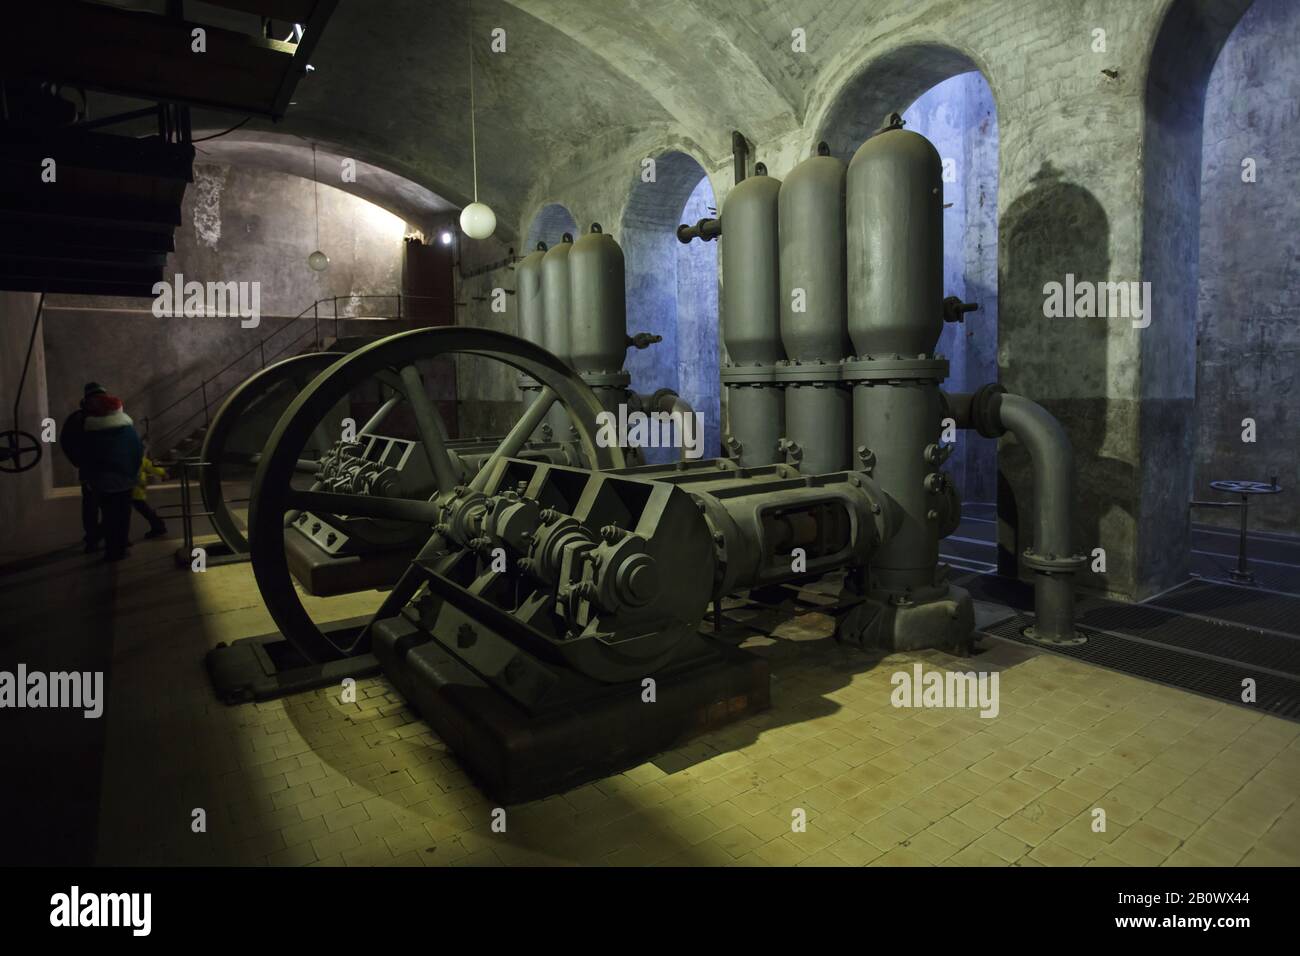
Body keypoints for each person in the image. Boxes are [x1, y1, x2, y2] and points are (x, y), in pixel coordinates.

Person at [80, 391, 144, 562]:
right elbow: (138, 451)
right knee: (123, 517)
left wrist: (89, 478)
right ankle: (121, 549)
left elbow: (87, 457)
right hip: (126, 480)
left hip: (103, 482)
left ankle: (111, 551)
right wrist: (133, 473)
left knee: (108, 518)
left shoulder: (92, 432)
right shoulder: (127, 430)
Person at [61, 382, 108, 553]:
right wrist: (79, 461)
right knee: (92, 506)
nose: (100, 400)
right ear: (88, 399)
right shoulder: (79, 419)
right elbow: (66, 441)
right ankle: (93, 538)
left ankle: (98, 536)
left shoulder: (107, 416)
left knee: (107, 506)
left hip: (107, 470)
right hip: (91, 470)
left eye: (102, 397)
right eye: (97, 397)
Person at [132, 447, 169, 539]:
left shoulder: (129, 458)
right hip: (137, 488)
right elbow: (150, 466)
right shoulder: (139, 458)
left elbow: (149, 465)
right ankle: (159, 526)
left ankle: (159, 526)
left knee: (144, 510)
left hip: (132, 489)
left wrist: (163, 473)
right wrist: (163, 473)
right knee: (144, 510)